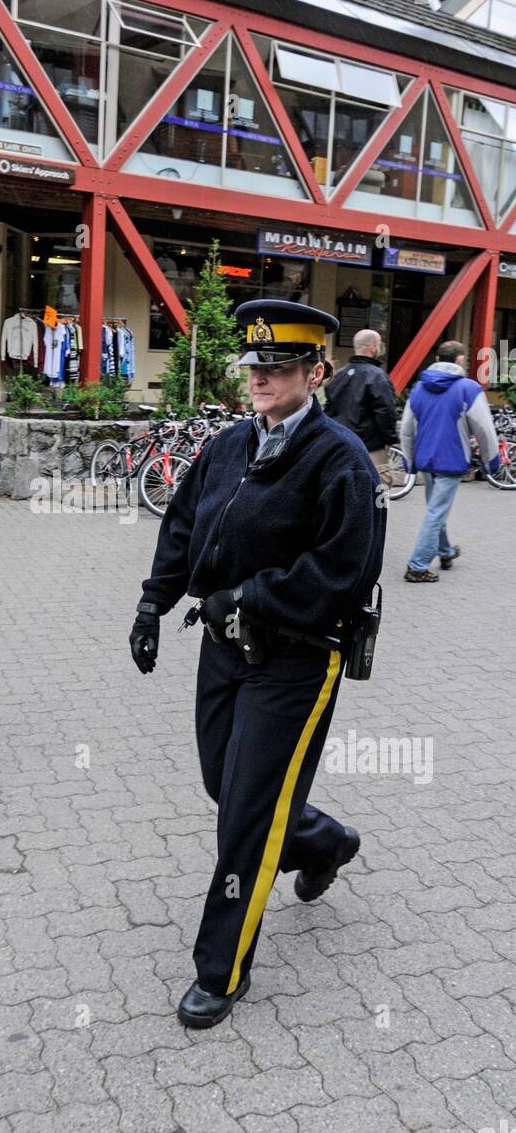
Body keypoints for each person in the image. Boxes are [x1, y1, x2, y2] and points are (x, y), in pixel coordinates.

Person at [130, 301, 386, 1029]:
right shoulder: (229, 443)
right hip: (222, 650)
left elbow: (341, 570)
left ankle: (221, 967)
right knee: (224, 784)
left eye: (278, 368)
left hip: (295, 660)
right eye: (254, 367)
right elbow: (184, 523)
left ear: (316, 371)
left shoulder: (338, 459)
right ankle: (325, 840)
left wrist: (247, 594)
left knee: (245, 815)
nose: (261, 379)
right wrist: (153, 602)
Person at [401, 340, 501, 583]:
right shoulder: (469, 388)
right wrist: (492, 461)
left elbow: (406, 428)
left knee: (435, 510)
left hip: (426, 460)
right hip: (452, 460)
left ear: (437, 359)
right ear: (459, 360)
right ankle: (417, 566)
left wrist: (409, 460)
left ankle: (445, 552)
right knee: (436, 513)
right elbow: (485, 430)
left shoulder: (418, 388)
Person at [324, 329, 399, 484]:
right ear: (373, 347)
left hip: (342, 444)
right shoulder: (377, 375)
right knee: (379, 489)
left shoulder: (339, 375)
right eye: (379, 344)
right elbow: (386, 411)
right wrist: (389, 439)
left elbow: (329, 409)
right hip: (371, 445)